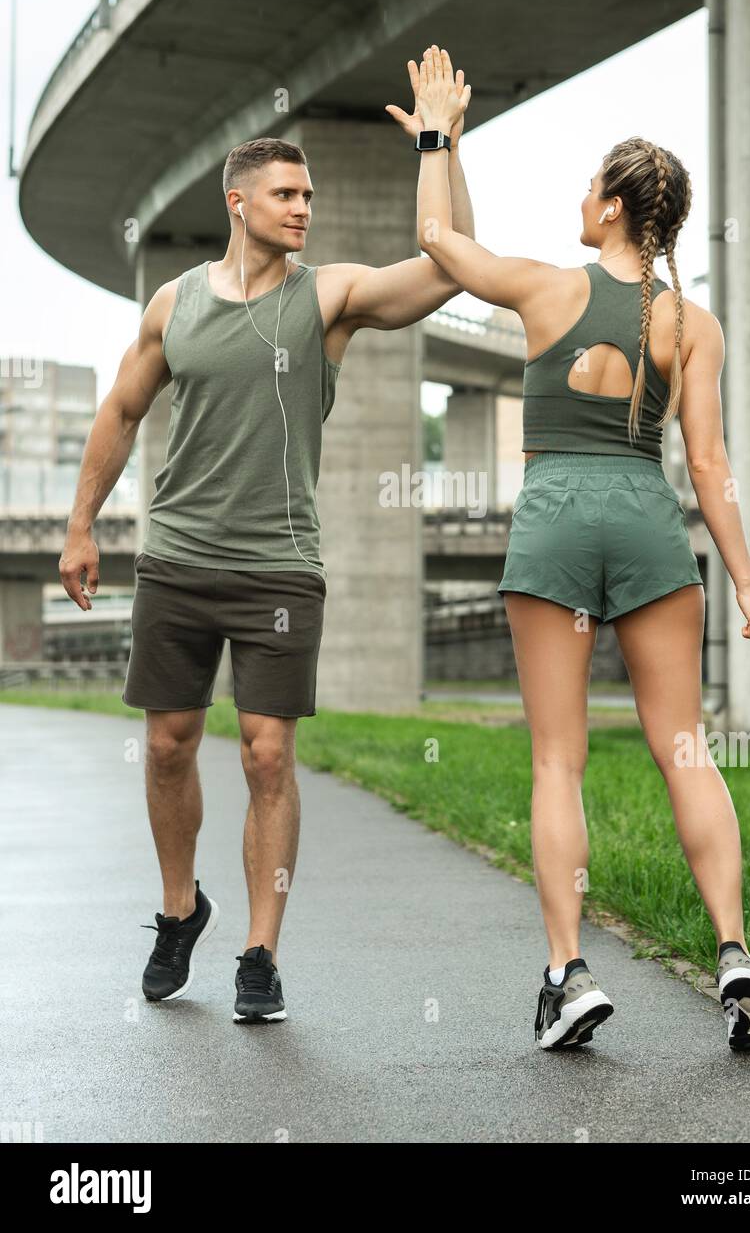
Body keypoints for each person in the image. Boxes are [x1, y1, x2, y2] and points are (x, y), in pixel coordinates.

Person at [59, 54, 473, 1023]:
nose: (303, 208)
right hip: (175, 557)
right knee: (167, 745)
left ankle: (258, 949)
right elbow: (119, 413)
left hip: (279, 565)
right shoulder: (175, 304)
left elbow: (445, 267)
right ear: (238, 200)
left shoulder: (326, 297)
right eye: (286, 193)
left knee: (264, 754)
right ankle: (178, 910)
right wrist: (82, 524)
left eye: (310, 194)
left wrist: (437, 143)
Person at [412, 45, 750, 1053]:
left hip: (556, 513)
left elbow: (437, 239)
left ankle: (568, 972)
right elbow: (706, 465)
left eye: (589, 188)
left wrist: (437, 134)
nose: (580, 201)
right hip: (644, 512)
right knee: (682, 747)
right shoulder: (688, 323)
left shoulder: (542, 286)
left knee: (555, 758)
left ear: (614, 208)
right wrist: (745, 583)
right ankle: (734, 954)